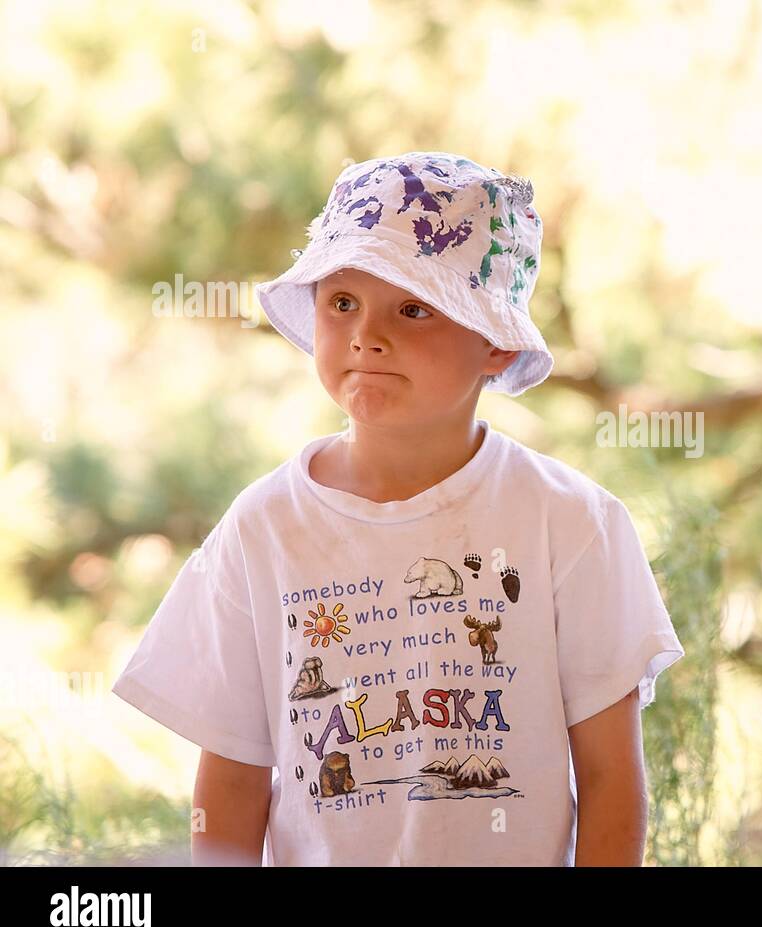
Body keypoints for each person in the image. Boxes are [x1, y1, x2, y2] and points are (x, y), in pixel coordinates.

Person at [111, 151, 686, 866]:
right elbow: (231, 781)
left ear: (498, 343)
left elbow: (611, 783)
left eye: (414, 308)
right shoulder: (263, 528)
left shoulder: (571, 524)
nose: (366, 336)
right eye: (343, 302)